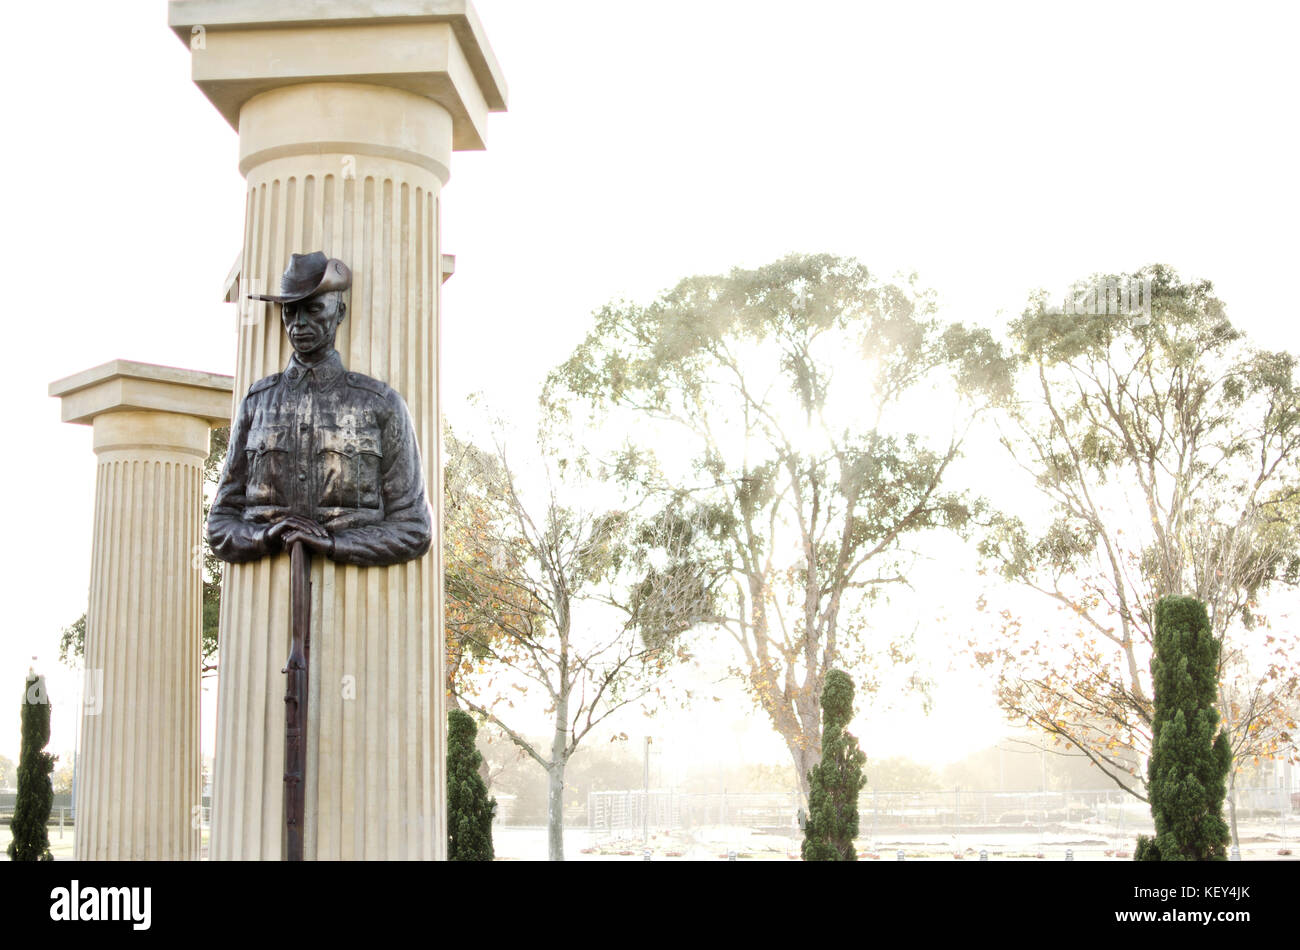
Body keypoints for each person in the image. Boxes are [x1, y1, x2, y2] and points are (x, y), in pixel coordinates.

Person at [207, 252, 433, 568]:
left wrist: (334, 543)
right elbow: (219, 524)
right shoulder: (257, 402)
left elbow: (414, 528)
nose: (299, 324)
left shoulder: (381, 403)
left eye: (314, 309)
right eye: (290, 311)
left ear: (339, 312)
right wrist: (266, 536)